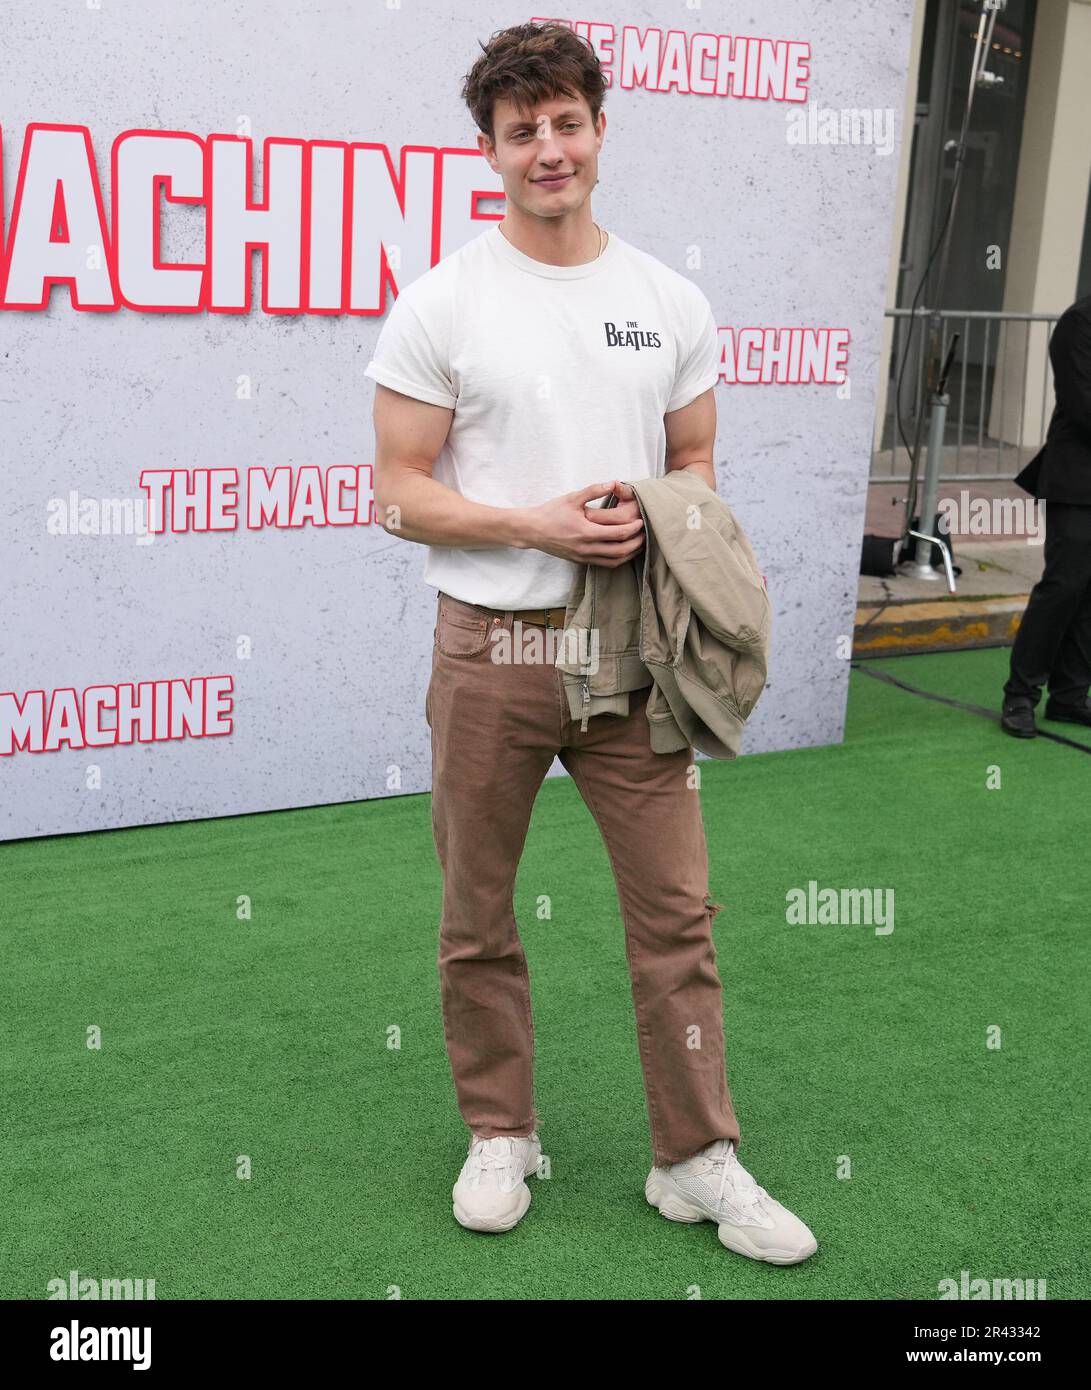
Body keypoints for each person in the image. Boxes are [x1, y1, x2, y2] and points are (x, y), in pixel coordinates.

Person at [366, 20, 816, 1264]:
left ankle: (693, 1157)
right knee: (477, 912)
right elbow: (397, 490)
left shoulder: (668, 299)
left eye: (567, 123)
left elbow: (694, 461)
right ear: (490, 149)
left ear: (600, 132)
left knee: (676, 915)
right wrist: (533, 521)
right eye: (522, 131)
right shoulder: (442, 301)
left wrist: (667, 517)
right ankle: (501, 1129)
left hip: (632, 652)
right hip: (490, 647)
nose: (547, 148)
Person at [1002, 293, 1091, 737]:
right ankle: (1020, 693)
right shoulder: (1079, 323)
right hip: (1078, 481)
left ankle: (1071, 697)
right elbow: (1083, 406)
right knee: (1065, 585)